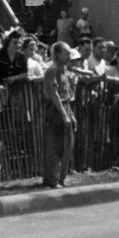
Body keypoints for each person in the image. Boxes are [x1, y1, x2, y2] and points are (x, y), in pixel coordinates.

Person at [42, 41, 77, 188]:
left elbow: (67, 94)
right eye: (66, 53)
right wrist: (63, 115)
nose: (69, 55)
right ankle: (52, 179)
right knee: (55, 145)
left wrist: (71, 114)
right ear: (57, 54)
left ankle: (62, 178)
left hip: (66, 107)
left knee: (68, 145)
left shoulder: (65, 70)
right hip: (56, 110)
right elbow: (54, 93)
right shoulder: (52, 70)